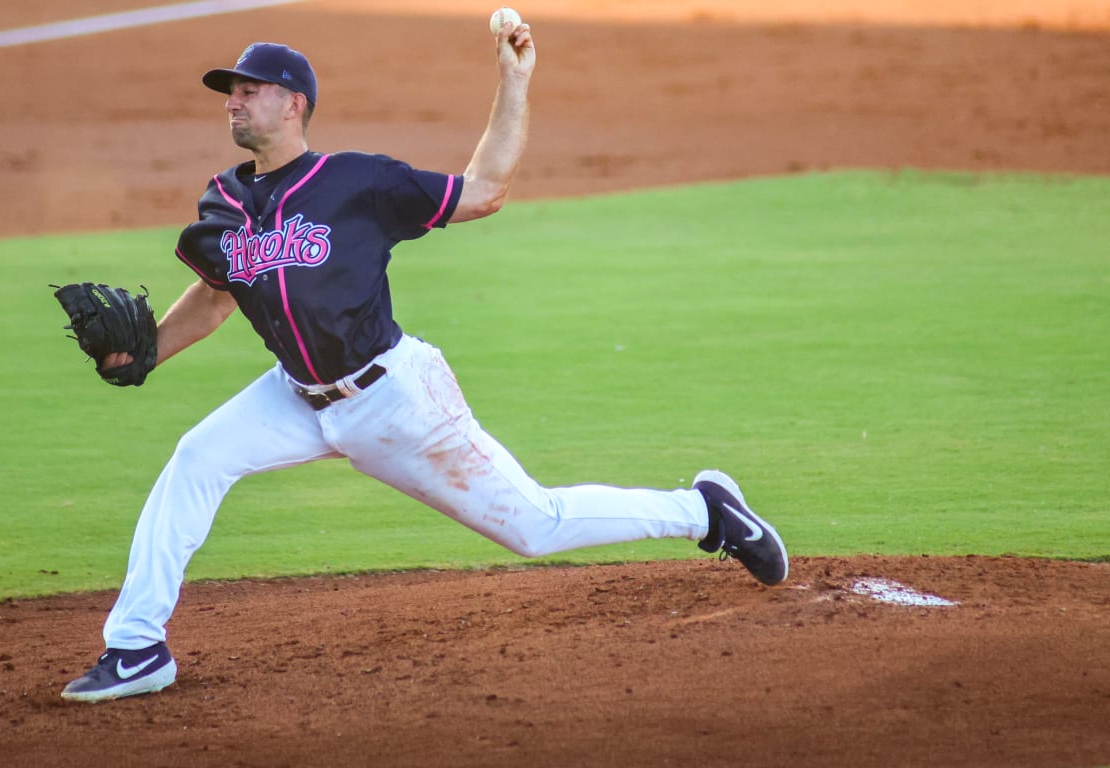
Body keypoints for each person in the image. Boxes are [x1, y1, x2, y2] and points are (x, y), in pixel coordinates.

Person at [61, 20, 788, 704]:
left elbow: (484, 191)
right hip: (293, 397)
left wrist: (514, 83)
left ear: (294, 104)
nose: (235, 101)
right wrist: (149, 350)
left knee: (536, 526)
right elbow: (217, 295)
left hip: (394, 400)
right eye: (232, 91)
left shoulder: (357, 183)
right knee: (196, 458)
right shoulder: (222, 202)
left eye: (251, 89)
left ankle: (704, 511)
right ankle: (137, 647)